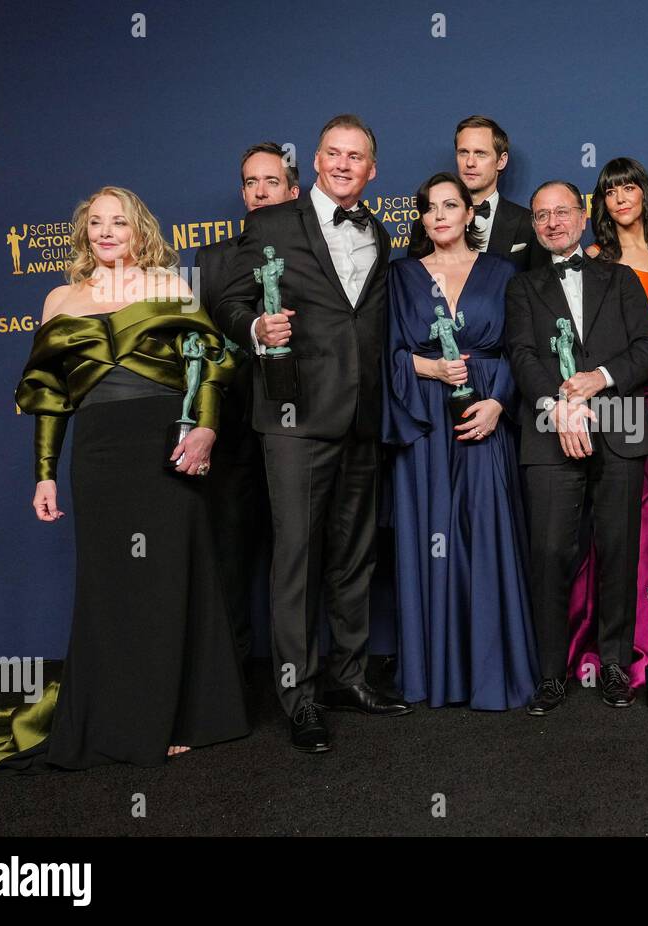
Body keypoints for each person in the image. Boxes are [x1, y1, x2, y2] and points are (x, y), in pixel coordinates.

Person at [0, 187, 249, 771]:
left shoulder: (168, 287)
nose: (108, 232)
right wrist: (43, 475)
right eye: (97, 223)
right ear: (85, 233)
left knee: (168, 578)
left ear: (140, 232)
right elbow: (50, 396)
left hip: (163, 443)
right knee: (112, 585)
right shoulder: (59, 299)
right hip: (100, 451)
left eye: (120, 223)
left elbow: (207, 362)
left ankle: (179, 714)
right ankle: (119, 712)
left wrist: (205, 431)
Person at [213, 114, 410, 754]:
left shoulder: (380, 233)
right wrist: (253, 330)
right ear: (317, 161)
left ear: (371, 170)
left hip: (362, 417)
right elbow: (227, 301)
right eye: (334, 153)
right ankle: (298, 700)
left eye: (357, 156)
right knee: (295, 560)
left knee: (354, 555)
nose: (345, 164)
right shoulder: (271, 223)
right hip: (294, 417)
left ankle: (346, 678)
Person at [505, 181, 648, 714]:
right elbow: (523, 359)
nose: (552, 222)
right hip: (550, 429)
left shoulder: (618, 279)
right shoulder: (521, 288)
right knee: (549, 552)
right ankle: (551, 673)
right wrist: (559, 406)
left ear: (581, 215)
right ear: (533, 225)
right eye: (541, 214)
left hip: (619, 423)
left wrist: (598, 377)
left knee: (619, 548)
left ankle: (616, 663)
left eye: (562, 212)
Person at [383, 172, 539, 709]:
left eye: (452, 205)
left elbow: (523, 350)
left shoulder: (502, 272)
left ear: (471, 215)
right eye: (431, 208)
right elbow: (388, 356)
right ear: (422, 219)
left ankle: (492, 675)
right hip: (423, 423)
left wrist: (499, 402)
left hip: (487, 412)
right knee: (433, 537)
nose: (441, 215)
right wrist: (428, 367)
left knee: (486, 535)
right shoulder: (401, 276)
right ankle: (437, 675)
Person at [565, 157, 648, 686]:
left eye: (629, 187)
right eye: (609, 192)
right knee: (631, 523)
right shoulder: (593, 259)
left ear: (644, 193)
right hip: (624, 400)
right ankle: (626, 646)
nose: (620, 199)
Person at [195, 141, 300, 672]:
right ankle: (229, 686)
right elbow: (200, 352)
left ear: (294, 191)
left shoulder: (314, 253)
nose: (261, 192)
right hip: (234, 432)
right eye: (252, 183)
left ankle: (307, 678)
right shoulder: (211, 261)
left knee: (301, 558)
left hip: (303, 427)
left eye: (272, 182)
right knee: (231, 561)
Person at [407, 115, 549, 272]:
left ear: (501, 161)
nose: (470, 163)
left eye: (480, 153)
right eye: (463, 152)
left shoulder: (527, 224)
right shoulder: (428, 223)